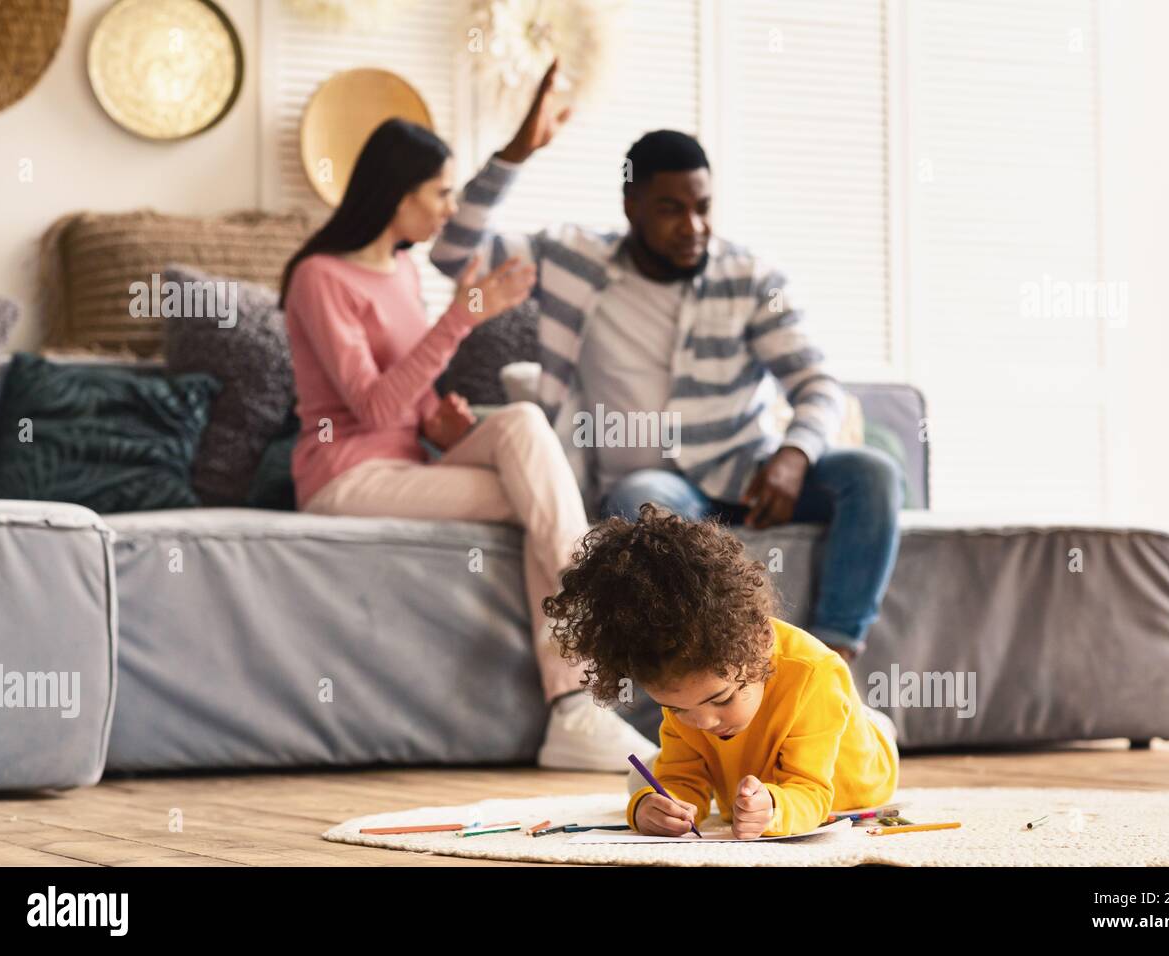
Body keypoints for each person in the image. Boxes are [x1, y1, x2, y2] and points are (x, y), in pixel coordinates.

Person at [430, 62, 904, 662]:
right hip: (658, 485)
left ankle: (833, 661)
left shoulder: (749, 277)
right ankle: (690, 684)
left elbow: (816, 383)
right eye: (671, 209)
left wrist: (794, 454)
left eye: (703, 206)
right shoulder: (572, 261)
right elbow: (452, 254)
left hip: (751, 474)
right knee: (639, 504)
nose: (694, 227)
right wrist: (516, 153)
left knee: (873, 474)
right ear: (631, 206)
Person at [280, 118, 659, 772]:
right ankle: (580, 693)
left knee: (520, 425)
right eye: (440, 194)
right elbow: (369, 405)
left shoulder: (400, 273)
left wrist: (437, 419)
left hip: (408, 461)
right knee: (532, 497)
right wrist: (463, 315)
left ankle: (580, 688)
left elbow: (406, 391)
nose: (451, 210)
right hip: (345, 476)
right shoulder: (320, 277)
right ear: (399, 195)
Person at [543, 505, 899, 839]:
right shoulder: (691, 694)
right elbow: (683, 776)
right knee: (645, 782)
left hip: (848, 777)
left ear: (760, 643)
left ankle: (872, 724)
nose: (704, 723)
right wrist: (659, 809)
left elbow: (811, 792)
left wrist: (774, 810)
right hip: (751, 766)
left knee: (851, 723)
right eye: (678, 709)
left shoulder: (815, 673)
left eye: (722, 698)